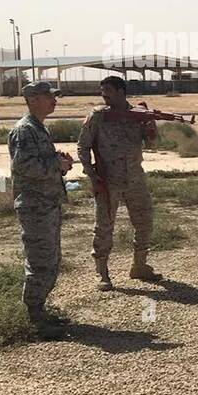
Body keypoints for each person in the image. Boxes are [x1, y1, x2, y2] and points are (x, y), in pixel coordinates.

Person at [76, 75, 161, 289]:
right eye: (102, 91)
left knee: (144, 221)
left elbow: (151, 143)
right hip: (108, 180)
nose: (103, 95)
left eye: (108, 91)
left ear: (121, 92)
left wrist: (151, 127)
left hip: (134, 178)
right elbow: (82, 147)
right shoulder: (97, 116)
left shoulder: (137, 115)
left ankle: (139, 266)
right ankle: (102, 274)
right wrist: (92, 176)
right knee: (104, 227)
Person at [8, 82, 73, 336]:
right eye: (49, 96)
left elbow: (39, 161)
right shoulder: (24, 130)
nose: (54, 101)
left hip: (47, 205)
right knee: (40, 262)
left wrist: (59, 160)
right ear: (33, 99)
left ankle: (40, 311)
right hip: (35, 207)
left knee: (51, 259)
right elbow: (25, 167)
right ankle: (34, 320)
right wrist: (56, 164)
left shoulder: (37, 128)